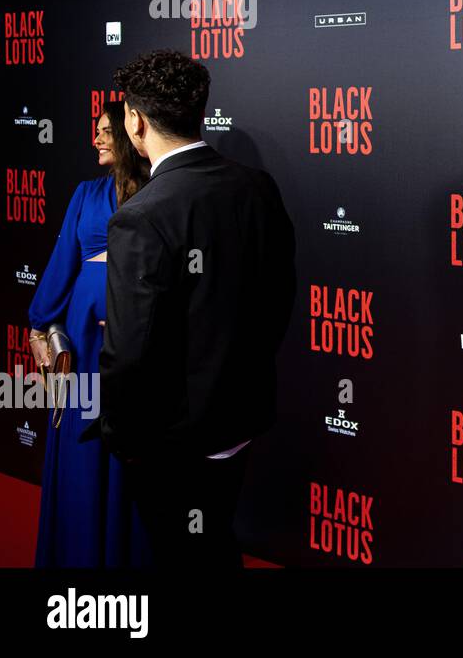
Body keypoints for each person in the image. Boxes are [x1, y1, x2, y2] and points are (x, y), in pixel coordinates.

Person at [79, 49, 297, 567]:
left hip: (174, 441)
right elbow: (279, 299)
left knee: (182, 553)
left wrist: (121, 437)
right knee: (212, 542)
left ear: (135, 121)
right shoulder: (256, 186)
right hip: (241, 421)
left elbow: (129, 352)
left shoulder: (141, 215)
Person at [26, 101, 152, 566]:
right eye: (95, 131)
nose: (96, 139)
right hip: (83, 337)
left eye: (104, 131)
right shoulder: (85, 193)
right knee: (84, 437)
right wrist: (40, 324)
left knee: (128, 443)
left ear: (129, 133)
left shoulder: (157, 191)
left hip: (135, 332)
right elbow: (63, 263)